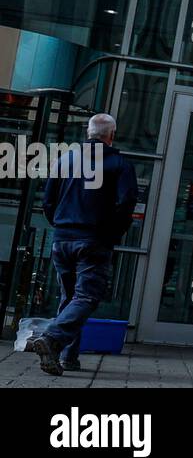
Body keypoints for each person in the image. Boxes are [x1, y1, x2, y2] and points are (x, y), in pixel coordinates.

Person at [26, 112, 138, 376]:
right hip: (93, 240)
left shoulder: (65, 160)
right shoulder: (120, 165)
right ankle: (52, 338)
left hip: (63, 238)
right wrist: (111, 234)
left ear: (89, 133)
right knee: (87, 296)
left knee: (70, 298)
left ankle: (67, 357)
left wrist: (61, 224)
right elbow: (127, 203)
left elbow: (48, 201)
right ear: (111, 135)